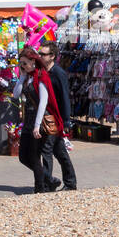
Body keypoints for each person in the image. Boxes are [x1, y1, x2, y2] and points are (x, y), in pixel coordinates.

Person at [13, 46, 64, 193]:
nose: (22, 66)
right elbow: (15, 95)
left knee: (34, 157)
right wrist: (21, 77)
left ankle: (40, 188)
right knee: (23, 156)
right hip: (28, 120)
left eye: (24, 63)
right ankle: (49, 179)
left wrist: (37, 126)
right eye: (20, 63)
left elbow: (43, 101)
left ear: (33, 62)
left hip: (39, 121)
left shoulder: (41, 77)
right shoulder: (27, 77)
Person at [39, 40, 77, 190]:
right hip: (47, 116)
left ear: (52, 56)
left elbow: (65, 96)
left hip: (56, 117)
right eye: (40, 53)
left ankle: (48, 183)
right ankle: (70, 182)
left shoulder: (58, 73)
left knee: (47, 149)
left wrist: (66, 120)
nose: (40, 56)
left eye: (43, 54)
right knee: (59, 151)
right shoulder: (43, 71)